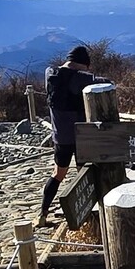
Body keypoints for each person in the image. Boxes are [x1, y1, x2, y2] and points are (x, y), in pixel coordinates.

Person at [39, 45, 99, 224]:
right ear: (83, 64)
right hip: (81, 136)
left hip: (60, 137)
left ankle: (42, 215)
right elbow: (106, 82)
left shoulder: (50, 73)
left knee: (58, 174)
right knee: (85, 174)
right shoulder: (82, 78)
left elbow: (62, 72)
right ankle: (87, 216)